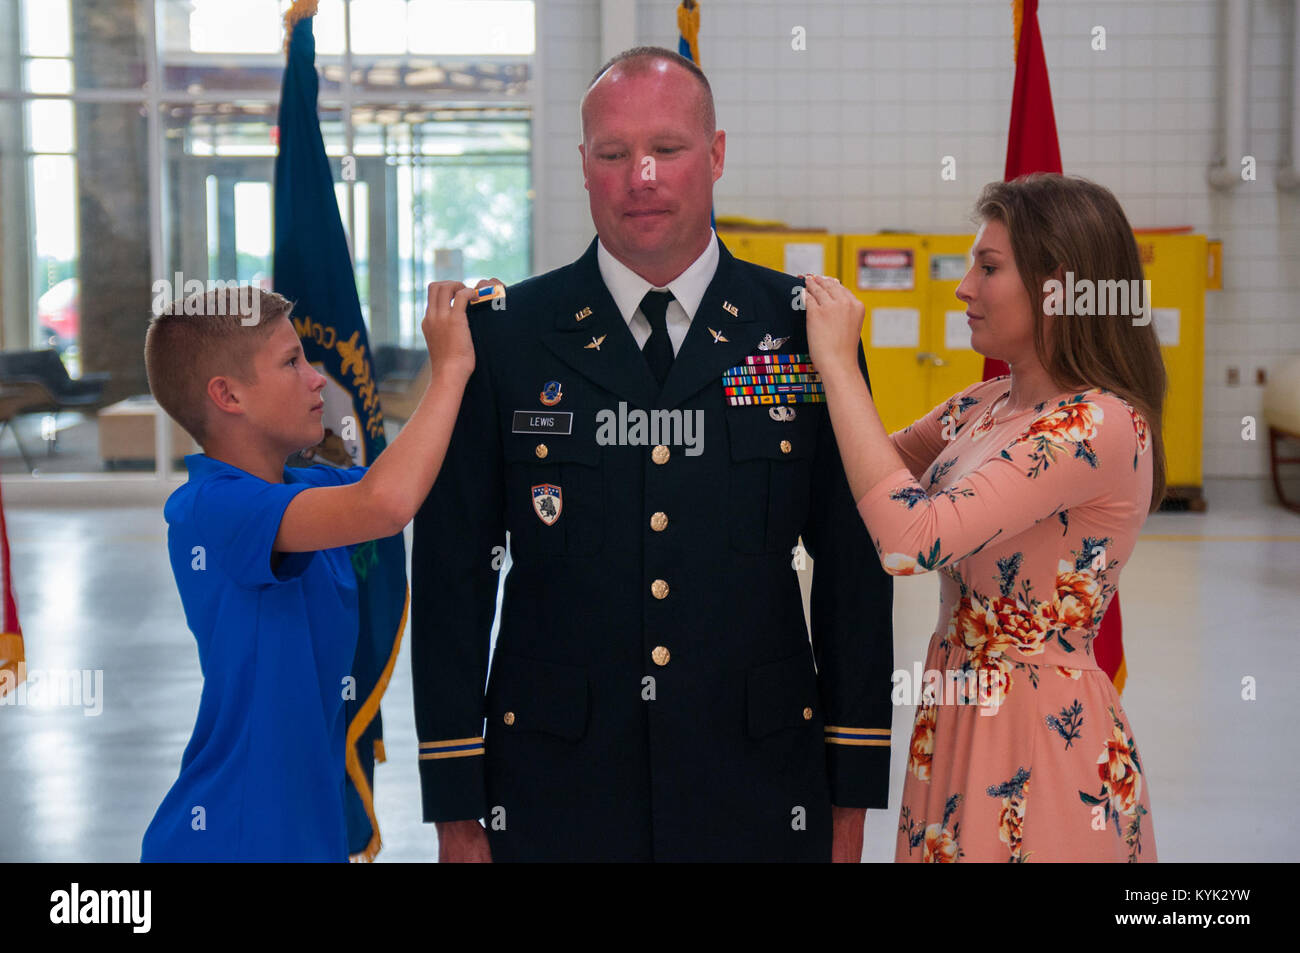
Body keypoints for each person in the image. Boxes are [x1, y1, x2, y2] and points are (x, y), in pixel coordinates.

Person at [411, 46, 894, 863]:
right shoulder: (506, 338)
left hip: (758, 782)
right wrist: (457, 807)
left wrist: (849, 795)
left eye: (667, 149)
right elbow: (454, 574)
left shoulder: (802, 332)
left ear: (715, 155)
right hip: (555, 785)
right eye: (613, 153)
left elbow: (852, 573)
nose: (642, 176)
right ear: (584, 166)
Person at [804, 173, 1163, 862]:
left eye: (988, 266)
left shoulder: (1098, 425)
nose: (964, 286)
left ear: (1058, 287)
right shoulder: (987, 403)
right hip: (961, 710)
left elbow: (912, 538)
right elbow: (868, 471)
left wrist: (839, 363)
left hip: (1038, 732)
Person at [140, 282, 475, 861]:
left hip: (304, 827)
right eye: (292, 362)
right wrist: (447, 370)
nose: (318, 377)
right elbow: (385, 505)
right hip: (234, 833)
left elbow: (410, 484)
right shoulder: (212, 508)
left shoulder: (308, 490)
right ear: (228, 395)